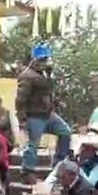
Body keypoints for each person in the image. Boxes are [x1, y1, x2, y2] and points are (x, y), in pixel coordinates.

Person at [17, 44, 72, 174]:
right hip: (33, 115)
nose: (44, 62)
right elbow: (20, 99)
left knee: (65, 132)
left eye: (45, 59)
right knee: (33, 144)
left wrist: (54, 102)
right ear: (34, 59)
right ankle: (27, 171)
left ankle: (58, 164)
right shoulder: (27, 76)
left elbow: (45, 94)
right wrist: (22, 120)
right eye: (41, 59)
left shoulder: (45, 74)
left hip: (47, 114)